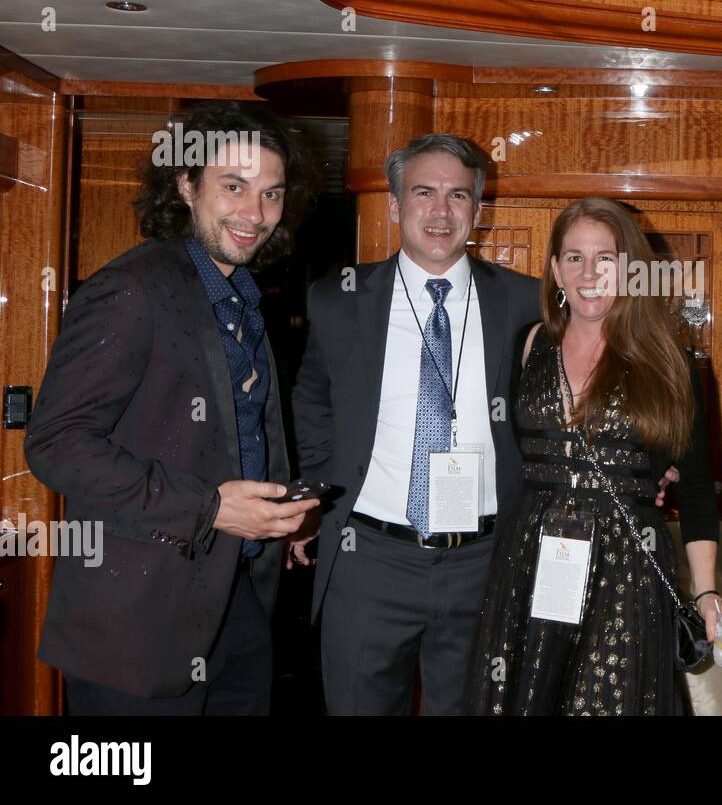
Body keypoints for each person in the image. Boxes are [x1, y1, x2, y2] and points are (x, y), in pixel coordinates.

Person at [24, 101, 322, 713]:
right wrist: (211, 508)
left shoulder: (241, 294)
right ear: (185, 185)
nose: (254, 214)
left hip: (236, 598)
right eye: (233, 187)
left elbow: (232, 427)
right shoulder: (130, 289)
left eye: (271, 194)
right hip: (136, 623)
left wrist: (277, 507)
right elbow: (55, 446)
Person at [464, 197, 722, 715]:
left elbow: (693, 487)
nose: (589, 272)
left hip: (625, 565)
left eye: (606, 257)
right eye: (574, 257)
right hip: (531, 556)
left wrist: (708, 591)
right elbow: (508, 454)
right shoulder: (529, 344)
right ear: (555, 269)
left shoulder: (671, 363)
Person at [287, 134, 541, 715]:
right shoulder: (339, 300)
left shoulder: (526, 302)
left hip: (485, 560)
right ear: (397, 205)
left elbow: (578, 391)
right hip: (368, 558)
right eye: (423, 193)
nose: (441, 211)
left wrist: (651, 456)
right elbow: (313, 404)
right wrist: (314, 503)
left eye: (458, 196)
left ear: (478, 211)